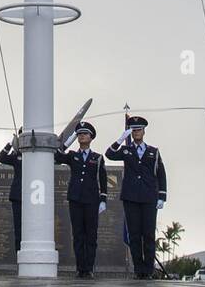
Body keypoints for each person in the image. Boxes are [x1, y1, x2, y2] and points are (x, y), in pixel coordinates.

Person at [105, 114, 167, 278]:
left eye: (138, 130)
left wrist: (162, 196)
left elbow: (161, 174)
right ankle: (138, 269)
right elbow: (109, 154)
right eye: (133, 130)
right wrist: (119, 140)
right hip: (131, 197)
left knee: (148, 234)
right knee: (134, 234)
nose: (136, 133)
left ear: (144, 131)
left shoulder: (153, 151)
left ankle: (148, 269)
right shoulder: (126, 150)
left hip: (149, 197)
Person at [55, 121, 108, 278]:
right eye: (79, 134)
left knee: (91, 235)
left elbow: (103, 179)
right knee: (78, 235)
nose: (81, 136)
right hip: (76, 199)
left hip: (91, 200)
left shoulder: (97, 158)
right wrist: (66, 143)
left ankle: (89, 268)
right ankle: (80, 268)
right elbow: (57, 156)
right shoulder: (73, 156)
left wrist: (103, 199)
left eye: (85, 134)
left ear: (91, 137)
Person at [0, 130, 23, 257]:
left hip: (35, 197)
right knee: (19, 229)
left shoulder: (38, 154)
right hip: (18, 195)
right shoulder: (16, 156)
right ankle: (19, 257)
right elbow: (0, 158)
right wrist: (10, 145)